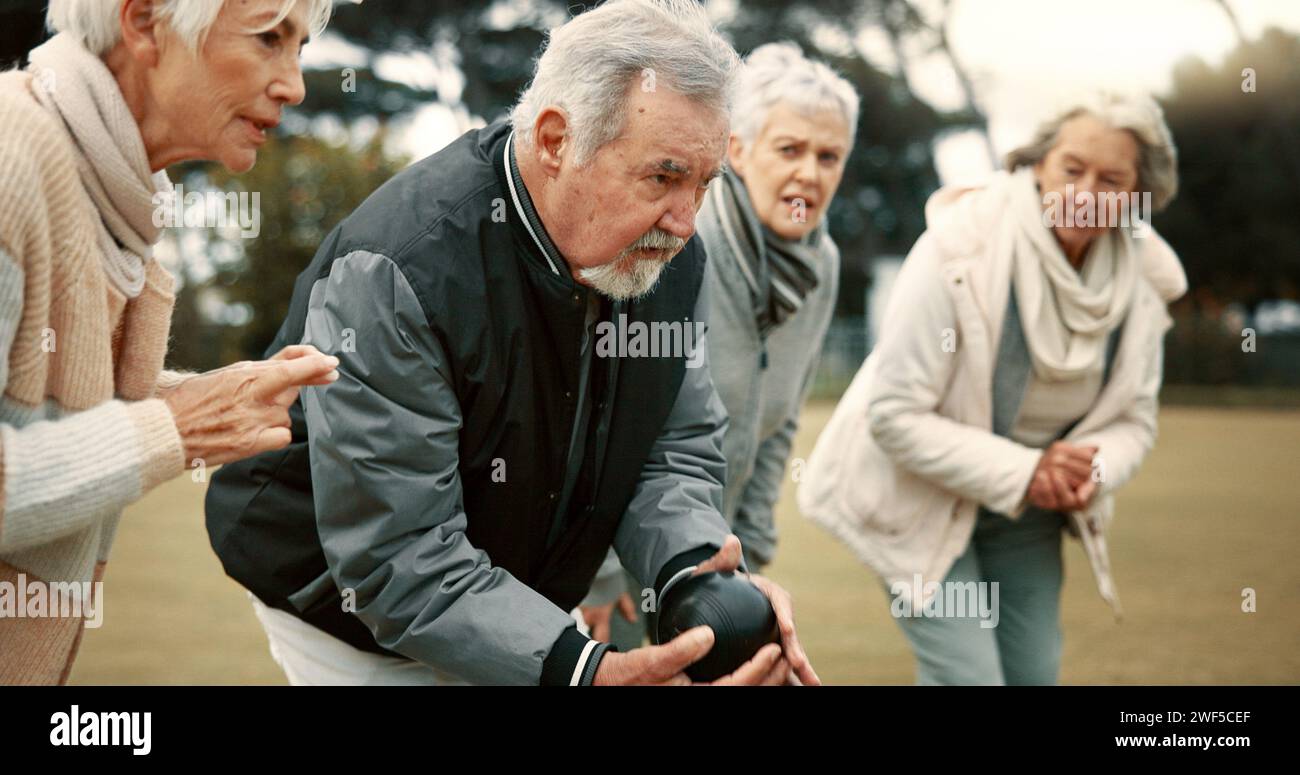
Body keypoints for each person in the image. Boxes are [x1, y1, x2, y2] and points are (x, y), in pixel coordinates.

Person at [204, 0, 820, 687]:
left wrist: (698, 578)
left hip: (517, 588)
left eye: (704, 185)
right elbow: (400, 559)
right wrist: (583, 670)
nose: (684, 223)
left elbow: (667, 450)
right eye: (663, 176)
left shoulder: (665, 255)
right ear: (556, 140)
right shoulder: (400, 269)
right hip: (348, 615)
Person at [799, 91, 1188, 685]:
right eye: (1072, 169)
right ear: (1037, 164)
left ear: (1142, 192)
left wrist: (1089, 471)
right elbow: (894, 413)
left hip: (1029, 514)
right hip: (916, 496)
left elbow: (1133, 419)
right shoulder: (959, 245)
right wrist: (1029, 468)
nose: (1085, 195)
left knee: (1033, 676)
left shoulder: (1144, 278)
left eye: (1112, 179)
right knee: (970, 679)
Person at [0, 0, 337, 685]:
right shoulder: (10, 154)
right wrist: (179, 426)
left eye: (299, 46)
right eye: (270, 37)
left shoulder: (118, 192)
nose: (294, 84)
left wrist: (205, 397)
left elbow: (37, 394)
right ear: (145, 21)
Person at [581, 42, 858, 650]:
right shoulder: (679, 243)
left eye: (829, 156)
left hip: (714, 556)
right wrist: (595, 577)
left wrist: (750, 553)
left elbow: (778, 423)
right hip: (621, 558)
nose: (809, 173)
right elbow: (601, 419)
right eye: (790, 149)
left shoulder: (822, 266)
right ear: (738, 150)